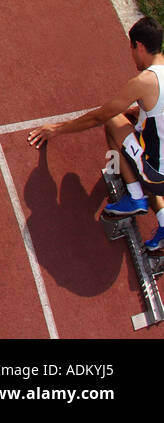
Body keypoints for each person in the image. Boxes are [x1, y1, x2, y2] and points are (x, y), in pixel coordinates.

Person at [27, 16, 164, 249]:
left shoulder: (144, 81)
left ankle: (135, 197)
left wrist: (56, 129)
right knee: (143, 149)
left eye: (131, 49)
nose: (132, 56)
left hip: (157, 174)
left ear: (139, 46)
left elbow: (99, 117)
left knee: (113, 121)